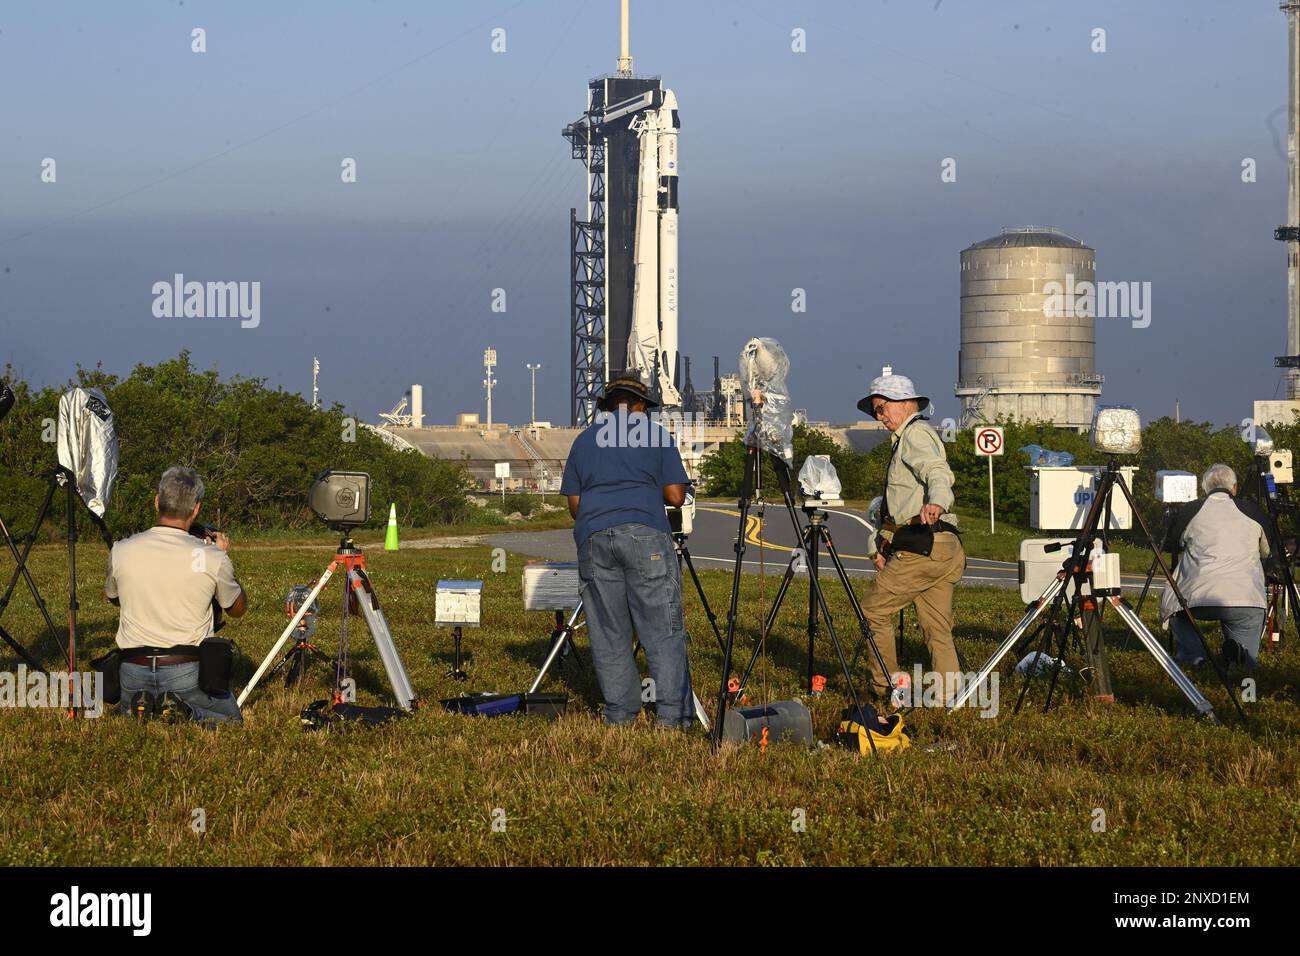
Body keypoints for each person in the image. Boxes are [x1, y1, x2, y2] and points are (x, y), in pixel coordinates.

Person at [560, 374, 694, 728]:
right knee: (661, 628)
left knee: (608, 631)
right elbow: (675, 496)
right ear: (639, 407)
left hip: (594, 538)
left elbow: (575, 506)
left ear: (606, 407)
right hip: (645, 534)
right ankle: (672, 718)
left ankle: (619, 715)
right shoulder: (655, 435)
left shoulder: (584, 441)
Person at [105, 466, 247, 724]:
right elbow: (236, 609)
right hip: (185, 669)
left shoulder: (121, 550)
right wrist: (223, 557)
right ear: (196, 509)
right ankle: (189, 711)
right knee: (232, 720)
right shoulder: (211, 557)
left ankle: (139, 706)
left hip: (132, 668)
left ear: (157, 502)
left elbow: (114, 598)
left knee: (134, 703)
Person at [856, 372, 966, 704]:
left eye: (881, 408)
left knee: (873, 610)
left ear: (905, 404)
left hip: (923, 543)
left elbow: (938, 471)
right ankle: (951, 697)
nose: (879, 416)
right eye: (876, 411)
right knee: (937, 628)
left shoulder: (915, 436)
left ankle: (886, 688)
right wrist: (882, 543)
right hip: (942, 547)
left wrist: (936, 500)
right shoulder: (910, 437)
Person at [1160, 464, 1271, 670]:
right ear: (1235, 488)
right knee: (1245, 662)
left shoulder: (1192, 510)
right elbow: (1267, 552)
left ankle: (1193, 657)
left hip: (1195, 598)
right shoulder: (1253, 511)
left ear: (1204, 488)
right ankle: (1239, 661)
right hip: (1246, 598)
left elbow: (1170, 546)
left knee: (1175, 605)